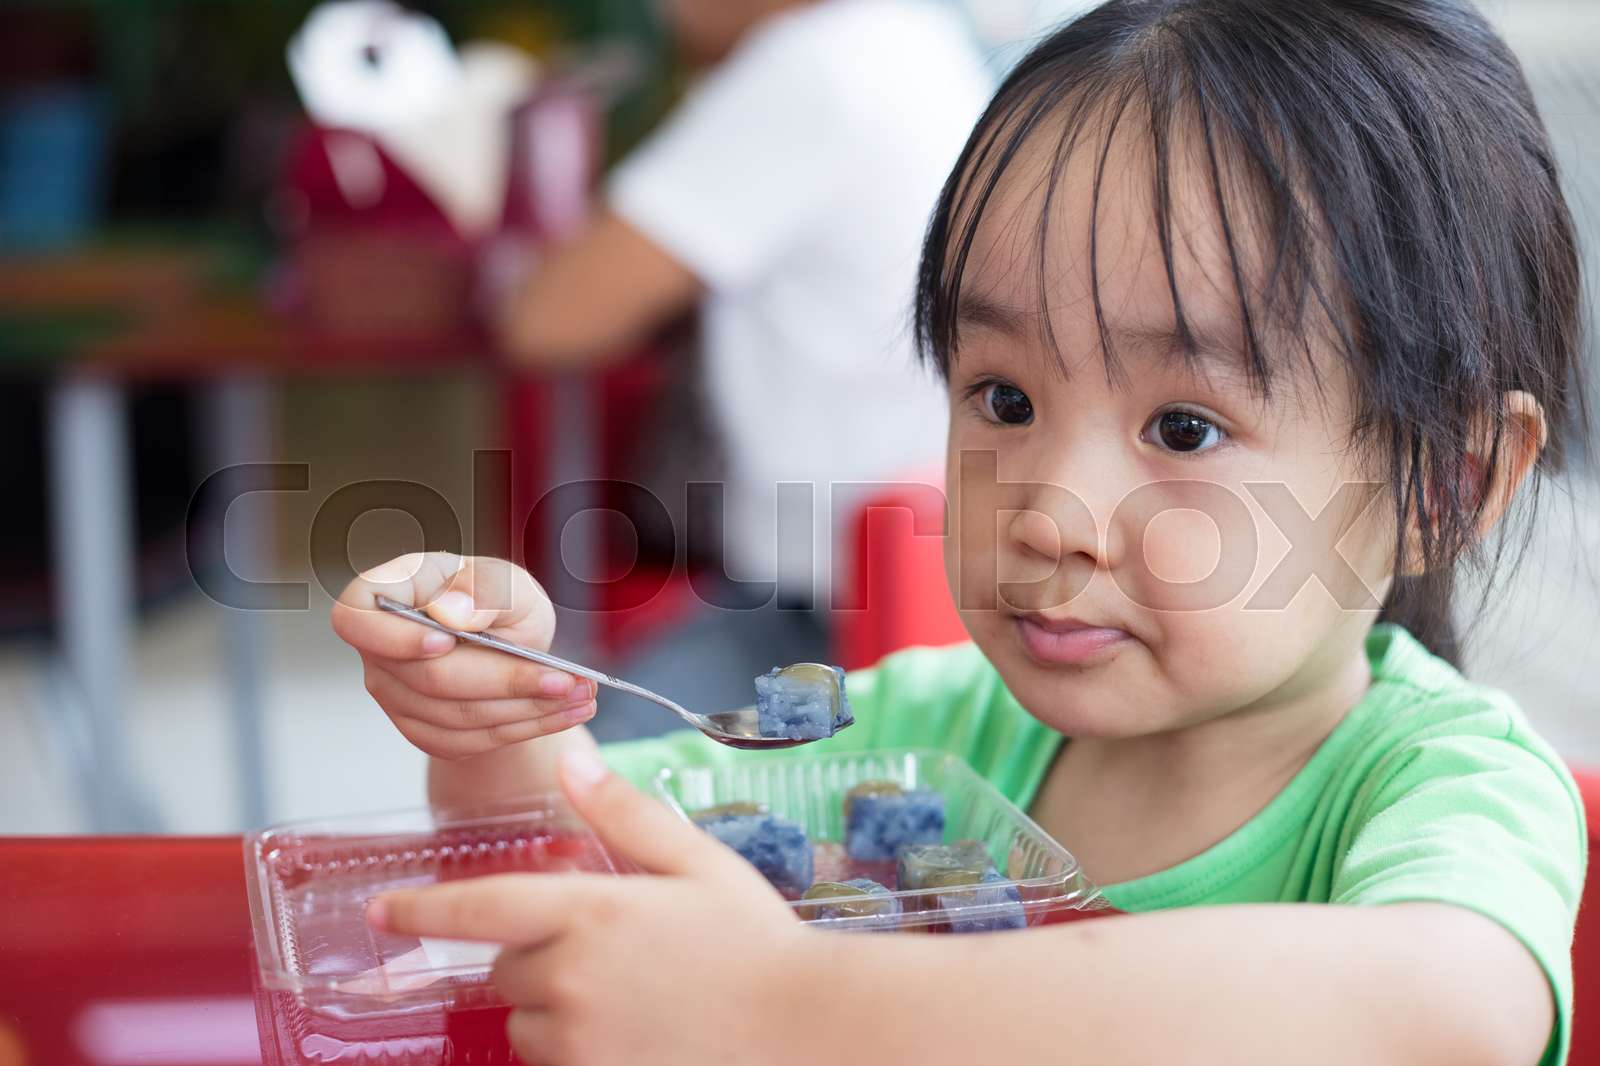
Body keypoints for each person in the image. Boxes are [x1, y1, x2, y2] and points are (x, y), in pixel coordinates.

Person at [332, 1, 1590, 1062]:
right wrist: (501, 731)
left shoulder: (1443, 785)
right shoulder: (924, 738)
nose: (1046, 511)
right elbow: (590, 858)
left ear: (1445, 483)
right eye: (1004, 399)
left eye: (1185, 428)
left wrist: (793, 1006)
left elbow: (1442, 1002)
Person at [498, 0, 991, 634]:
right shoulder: (918, 41)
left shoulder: (812, 67)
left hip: (824, 593)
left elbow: (549, 317)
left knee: (592, 728)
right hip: (920, 566)